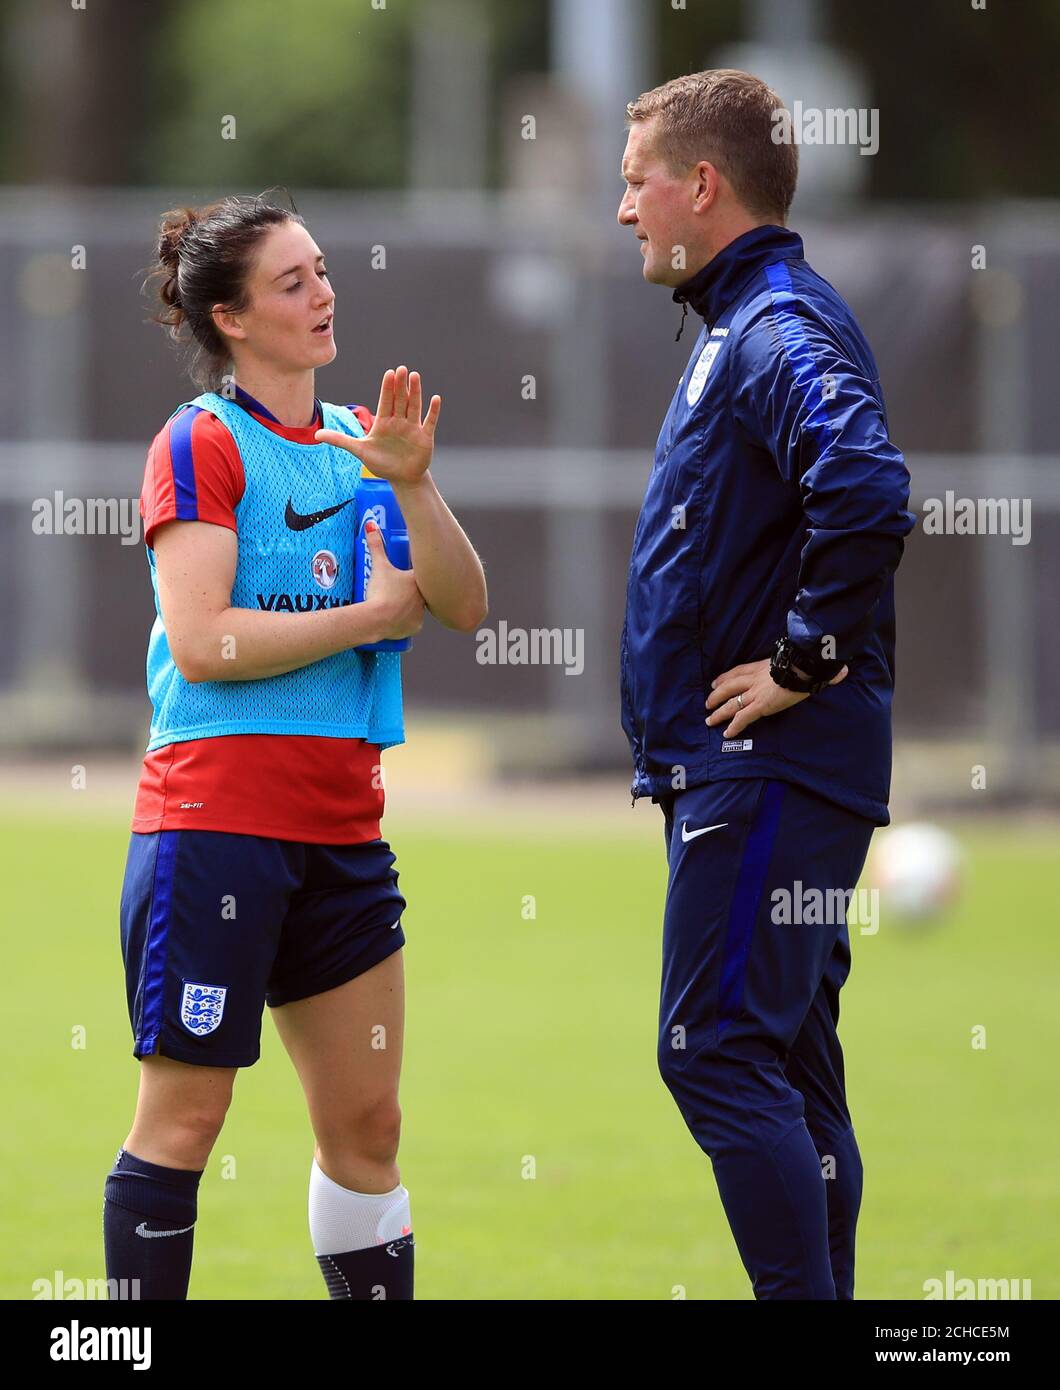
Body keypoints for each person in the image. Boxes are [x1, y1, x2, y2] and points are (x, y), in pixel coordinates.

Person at [104, 194, 487, 1301]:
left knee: (370, 1125)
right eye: (292, 282)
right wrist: (367, 619)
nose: (323, 294)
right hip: (216, 826)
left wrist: (411, 477)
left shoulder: (362, 441)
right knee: (187, 1117)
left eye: (321, 271)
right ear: (228, 318)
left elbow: (463, 605)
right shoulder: (202, 441)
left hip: (343, 831)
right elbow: (206, 639)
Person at [617, 71, 914, 1299]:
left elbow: (866, 486)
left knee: (716, 1054)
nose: (623, 208)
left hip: (770, 770)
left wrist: (803, 658)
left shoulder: (773, 324)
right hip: (761, 775)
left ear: (702, 184)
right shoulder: (736, 321)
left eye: (636, 179)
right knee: (785, 1067)